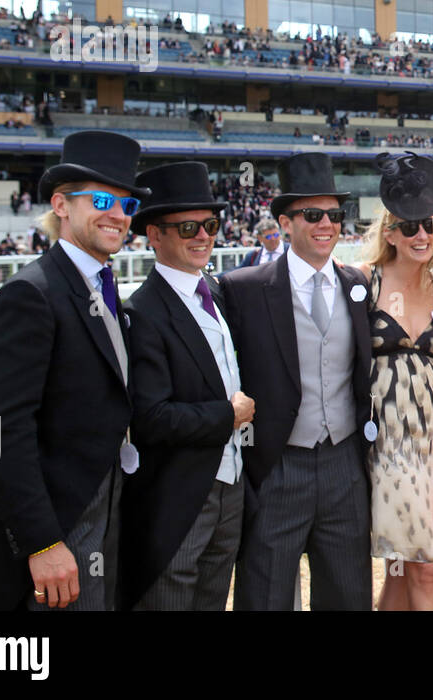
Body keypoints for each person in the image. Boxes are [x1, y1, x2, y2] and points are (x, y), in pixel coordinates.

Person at [0, 131, 148, 610]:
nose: (117, 215)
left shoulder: (107, 292)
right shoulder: (31, 294)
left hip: (103, 514)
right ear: (61, 205)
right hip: (54, 531)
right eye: (103, 200)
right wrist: (41, 541)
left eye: (127, 206)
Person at [220, 153, 374, 610]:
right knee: (266, 597)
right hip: (276, 466)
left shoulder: (357, 286)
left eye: (334, 215)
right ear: (285, 222)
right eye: (312, 215)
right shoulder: (243, 288)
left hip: (345, 463)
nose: (326, 224)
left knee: (348, 595)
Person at [120, 162, 254, 610]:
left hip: (230, 484)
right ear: (154, 235)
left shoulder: (214, 291)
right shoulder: (143, 312)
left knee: (212, 600)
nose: (203, 236)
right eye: (188, 227)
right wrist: (227, 416)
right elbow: (150, 417)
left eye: (211, 225)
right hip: (179, 491)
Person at [353, 152, 433, 611]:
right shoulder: (362, 283)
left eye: (429, 225)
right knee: (426, 562)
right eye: (409, 226)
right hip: (387, 438)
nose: (421, 235)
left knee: (403, 563)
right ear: (389, 232)